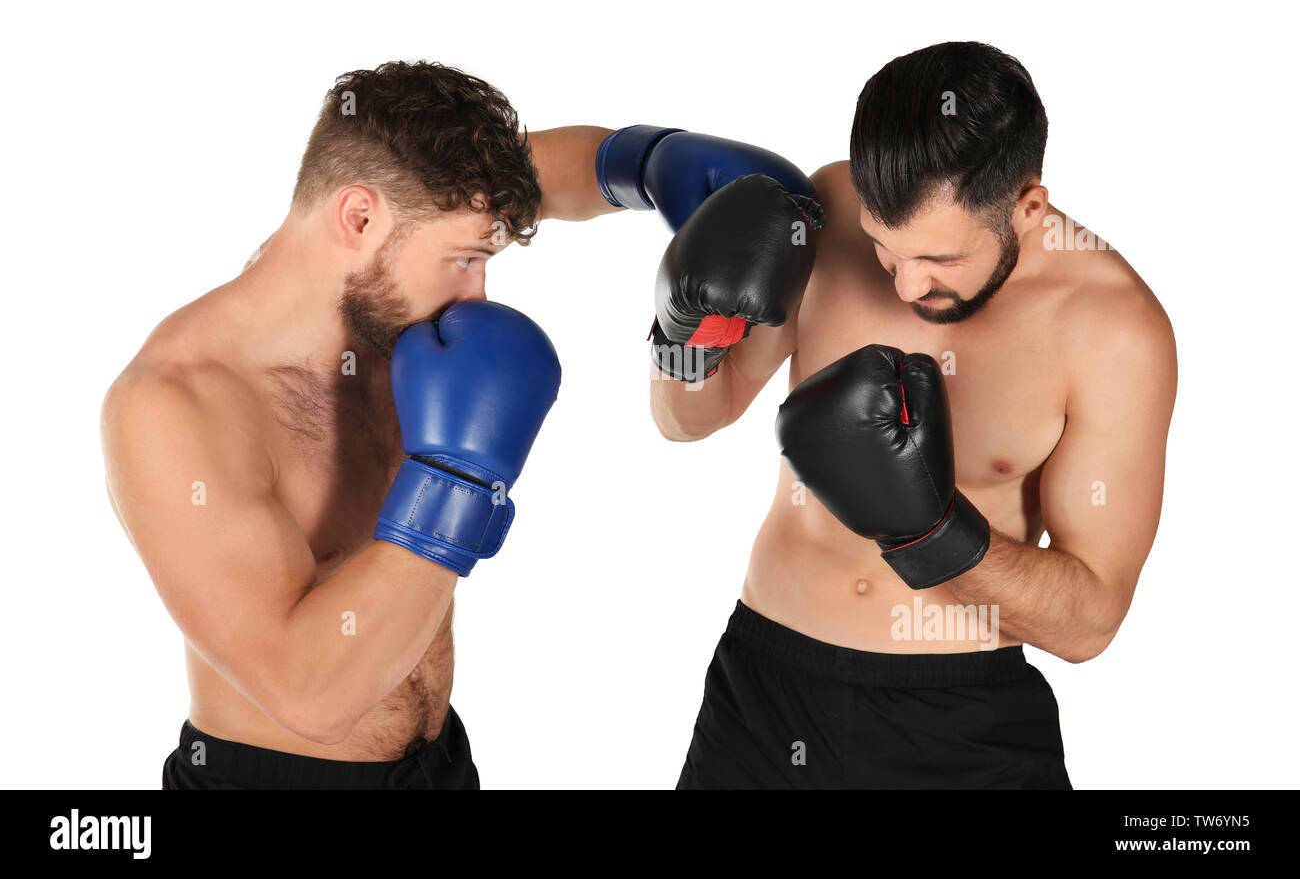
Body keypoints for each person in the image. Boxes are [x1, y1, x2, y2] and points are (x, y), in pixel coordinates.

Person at [588, 41, 1177, 788]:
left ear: (1028, 206)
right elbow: (689, 420)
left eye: (939, 261)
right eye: (883, 250)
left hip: (959, 728)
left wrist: (932, 533)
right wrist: (681, 339)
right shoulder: (827, 210)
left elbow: (1090, 621)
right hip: (763, 695)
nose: (904, 287)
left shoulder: (1114, 332)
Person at [102, 61, 569, 789]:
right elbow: (309, 698)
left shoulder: (389, 312)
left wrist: (643, 164)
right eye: (466, 260)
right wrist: (459, 482)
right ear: (358, 217)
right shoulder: (173, 406)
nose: (478, 296)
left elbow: (534, 175)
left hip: (440, 764)